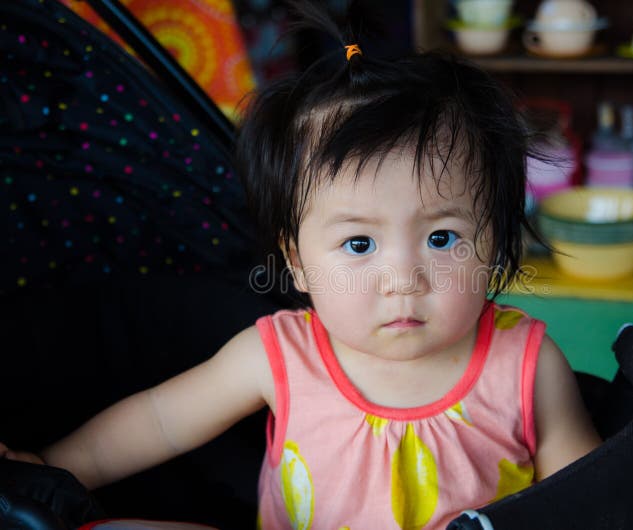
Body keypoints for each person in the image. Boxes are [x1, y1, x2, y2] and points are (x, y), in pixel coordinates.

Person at [1, 1, 601, 528]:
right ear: (298, 263)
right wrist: (53, 466)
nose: (403, 279)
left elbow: (592, 496)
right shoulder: (279, 356)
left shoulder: (524, 364)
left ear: (493, 242)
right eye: (359, 245)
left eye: (442, 238)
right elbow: (160, 421)